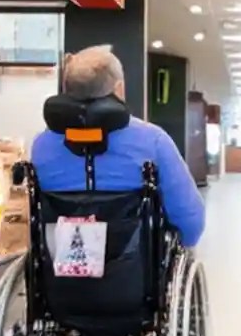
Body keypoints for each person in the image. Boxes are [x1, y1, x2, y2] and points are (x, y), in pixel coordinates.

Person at [31, 46, 206, 248]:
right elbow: (190, 223)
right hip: (135, 272)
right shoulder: (153, 141)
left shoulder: (41, 146)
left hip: (57, 271)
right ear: (119, 89)